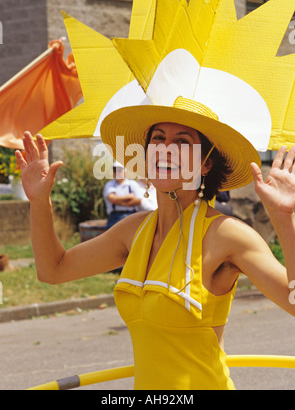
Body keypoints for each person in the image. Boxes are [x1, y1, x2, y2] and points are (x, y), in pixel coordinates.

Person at [16, 127, 295, 390]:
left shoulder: (227, 235)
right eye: (158, 138)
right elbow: (53, 270)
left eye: (182, 141)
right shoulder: (133, 230)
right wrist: (40, 202)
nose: (165, 149)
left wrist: (284, 220)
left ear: (205, 164)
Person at [103, 161, 142, 230]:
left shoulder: (132, 184)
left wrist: (119, 201)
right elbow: (112, 199)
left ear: (125, 171)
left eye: (119, 170)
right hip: (114, 217)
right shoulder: (109, 185)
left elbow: (138, 200)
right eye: (115, 171)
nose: (117, 173)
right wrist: (130, 197)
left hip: (131, 216)